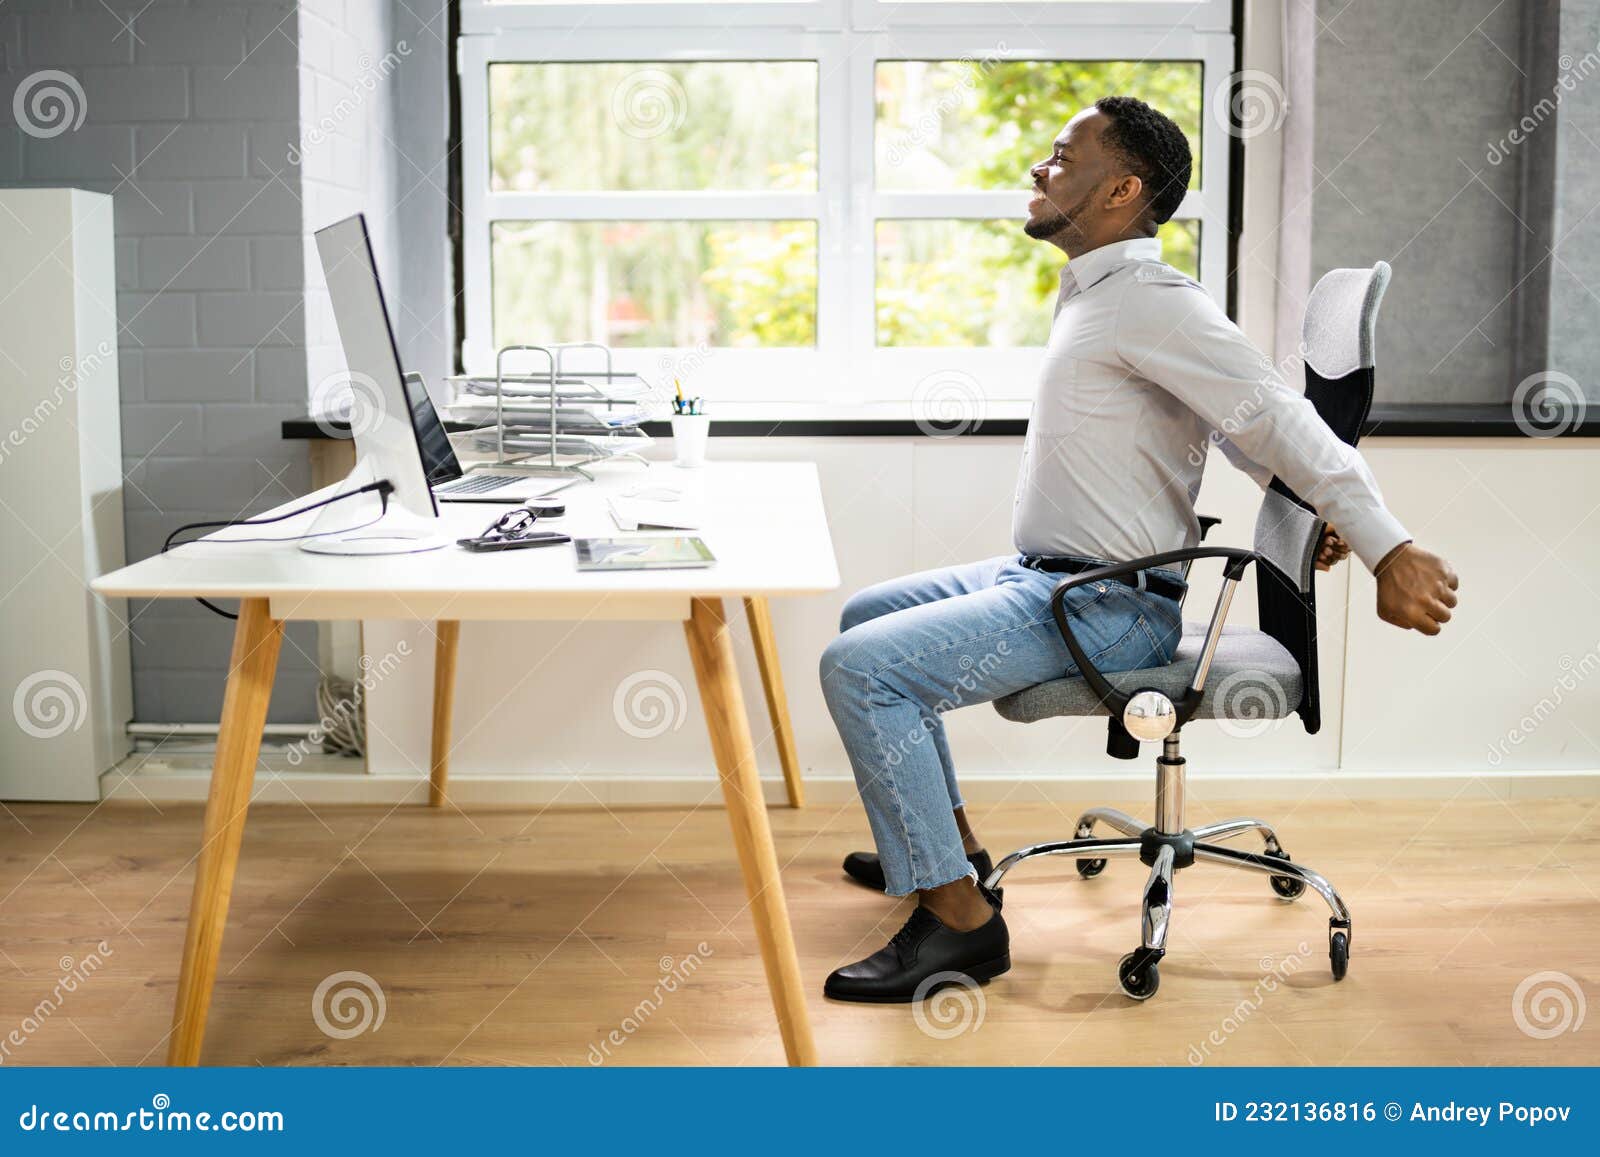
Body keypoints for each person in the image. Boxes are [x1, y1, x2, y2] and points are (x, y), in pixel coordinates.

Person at [818, 95, 1460, 1003]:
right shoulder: (1099, 295)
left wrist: (1389, 546)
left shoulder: (1156, 303)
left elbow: (1283, 424)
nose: (1038, 170)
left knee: (861, 667)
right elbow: (1241, 437)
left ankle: (960, 922)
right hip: (1047, 577)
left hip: (1106, 607)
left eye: (1060, 157)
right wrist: (1303, 519)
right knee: (866, 617)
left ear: (1121, 190)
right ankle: (945, 851)